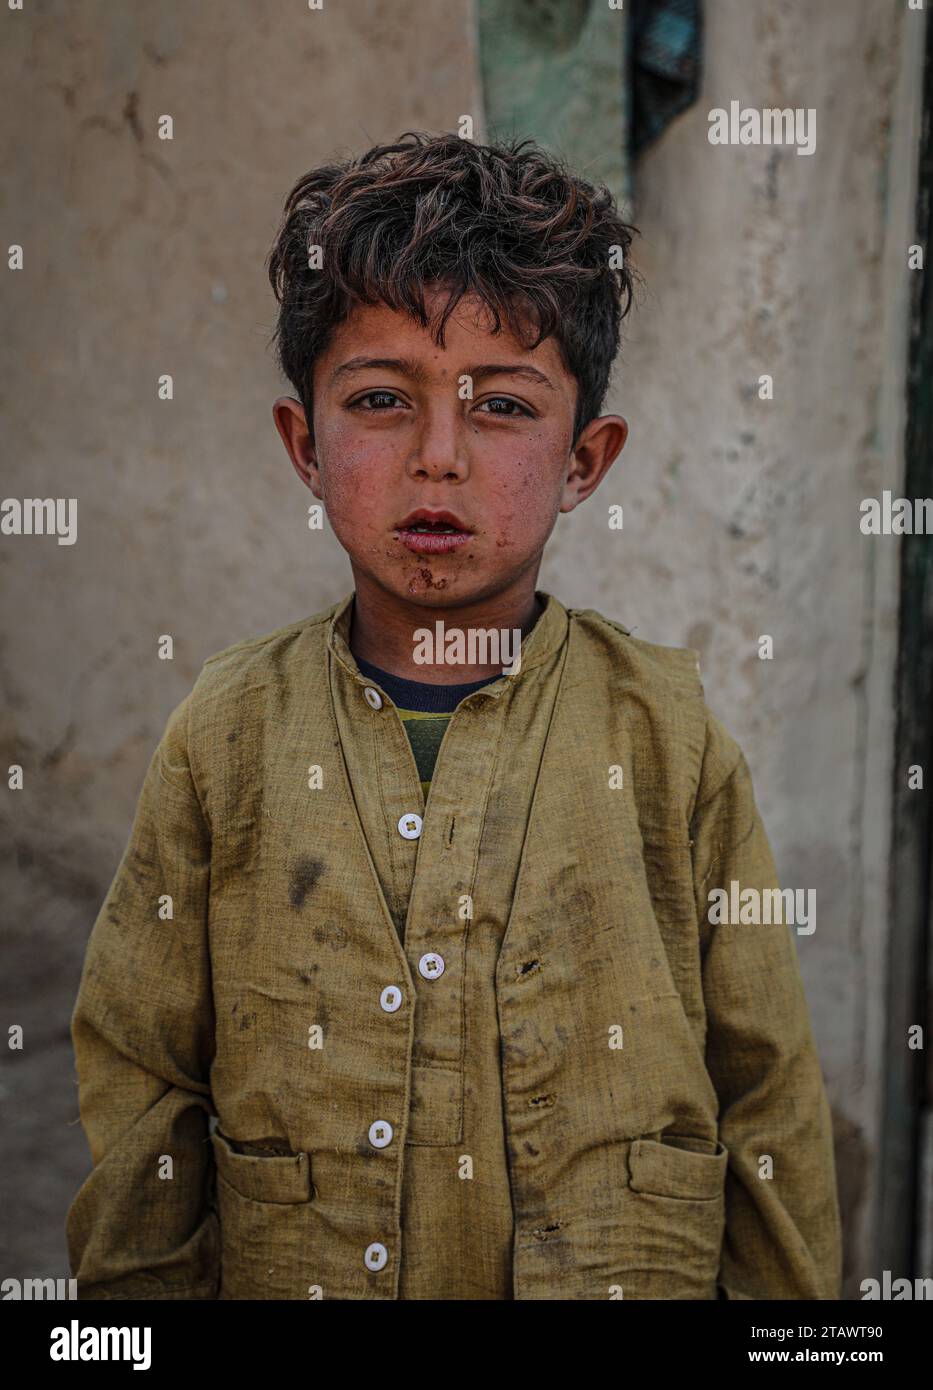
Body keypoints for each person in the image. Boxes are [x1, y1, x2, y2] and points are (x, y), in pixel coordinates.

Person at [67, 131, 842, 1300]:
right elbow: (142, 1073)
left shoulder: (666, 742)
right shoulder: (228, 733)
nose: (439, 459)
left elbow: (767, 1082)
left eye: (502, 409)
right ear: (306, 446)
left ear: (585, 460)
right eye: (381, 400)